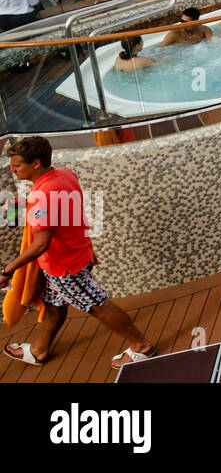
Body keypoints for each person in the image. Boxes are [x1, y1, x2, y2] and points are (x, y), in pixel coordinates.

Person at [1, 137, 156, 368]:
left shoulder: (44, 196)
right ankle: (39, 350)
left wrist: (7, 270)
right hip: (77, 254)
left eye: (17, 165)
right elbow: (56, 202)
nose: (11, 170)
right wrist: (23, 204)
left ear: (36, 163)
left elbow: (41, 243)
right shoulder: (62, 174)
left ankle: (142, 346)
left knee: (99, 306)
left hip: (65, 268)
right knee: (54, 305)